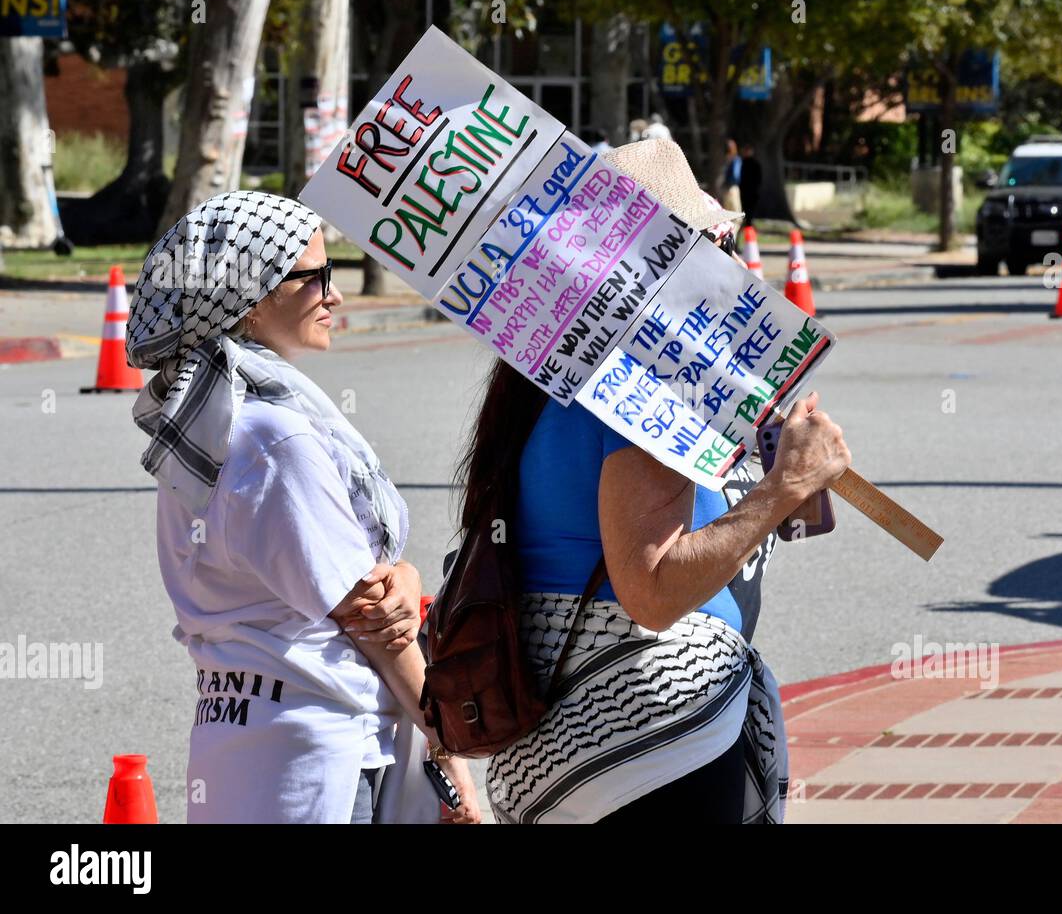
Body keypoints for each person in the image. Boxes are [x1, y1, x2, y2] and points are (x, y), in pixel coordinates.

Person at [474, 140, 850, 823]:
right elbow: (650, 590)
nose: (732, 267)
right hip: (648, 738)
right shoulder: (644, 384)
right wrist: (783, 488)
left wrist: (783, 487)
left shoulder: (546, 368)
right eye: (717, 248)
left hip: (574, 738)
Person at [127, 190, 480, 824]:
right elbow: (370, 619)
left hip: (234, 741)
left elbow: (313, 574)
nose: (334, 294)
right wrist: (450, 755)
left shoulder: (202, 425)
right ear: (253, 299)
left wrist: (403, 574)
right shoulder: (273, 436)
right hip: (317, 754)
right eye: (314, 276)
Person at [739, 142, 763, 225]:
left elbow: (758, 179)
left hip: (749, 193)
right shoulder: (742, 163)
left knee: (748, 215)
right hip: (746, 192)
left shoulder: (745, 163)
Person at [722, 138, 744, 215]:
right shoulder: (736, 159)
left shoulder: (726, 159)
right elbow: (736, 174)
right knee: (736, 212)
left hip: (725, 188)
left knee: (727, 212)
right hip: (733, 187)